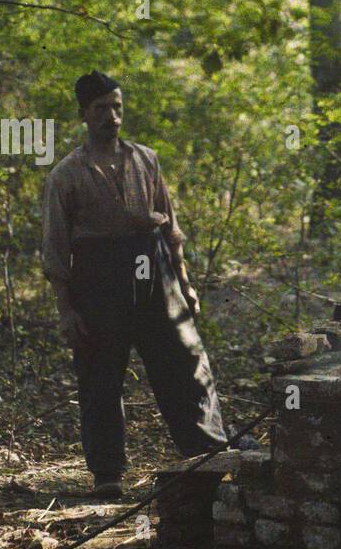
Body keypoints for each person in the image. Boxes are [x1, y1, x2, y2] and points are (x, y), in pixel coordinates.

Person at [41, 70, 227, 497]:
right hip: (98, 275)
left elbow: (171, 227)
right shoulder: (66, 175)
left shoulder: (145, 159)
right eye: (102, 109)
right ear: (84, 115)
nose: (113, 117)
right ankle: (107, 474)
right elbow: (55, 249)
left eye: (118, 107)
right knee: (101, 373)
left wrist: (184, 282)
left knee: (185, 361)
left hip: (154, 264)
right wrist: (66, 308)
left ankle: (207, 452)